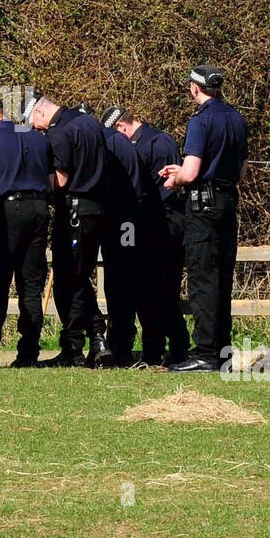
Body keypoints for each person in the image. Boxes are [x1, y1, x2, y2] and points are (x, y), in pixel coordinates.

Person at [159, 66, 248, 372]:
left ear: (195, 89)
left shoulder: (200, 120)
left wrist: (177, 179)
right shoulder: (237, 119)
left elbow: (193, 171)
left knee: (202, 278)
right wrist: (184, 171)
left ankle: (205, 353)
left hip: (203, 208)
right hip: (227, 202)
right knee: (223, 278)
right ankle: (222, 352)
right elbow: (240, 172)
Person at [28, 96, 113, 367]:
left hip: (75, 212)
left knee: (70, 278)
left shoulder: (60, 132)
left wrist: (33, 181)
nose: (37, 131)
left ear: (40, 112)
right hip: (98, 208)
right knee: (78, 276)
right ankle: (76, 345)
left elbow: (60, 179)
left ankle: (92, 338)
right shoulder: (89, 122)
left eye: (35, 125)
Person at [0, 100, 53, 368]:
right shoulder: (39, 138)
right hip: (40, 209)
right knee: (31, 284)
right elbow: (54, 179)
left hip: (6, 212)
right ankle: (29, 352)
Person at [108, 108, 190, 367]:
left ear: (121, 126)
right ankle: (153, 350)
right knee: (147, 291)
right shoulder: (142, 144)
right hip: (149, 224)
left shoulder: (158, 142)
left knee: (164, 289)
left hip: (165, 223)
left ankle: (177, 347)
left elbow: (166, 190)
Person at [97, 107, 151, 367]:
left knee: (120, 281)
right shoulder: (126, 146)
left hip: (122, 221)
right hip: (129, 218)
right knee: (123, 280)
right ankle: (122, 341)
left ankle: (120, 344)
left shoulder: (112, 144)